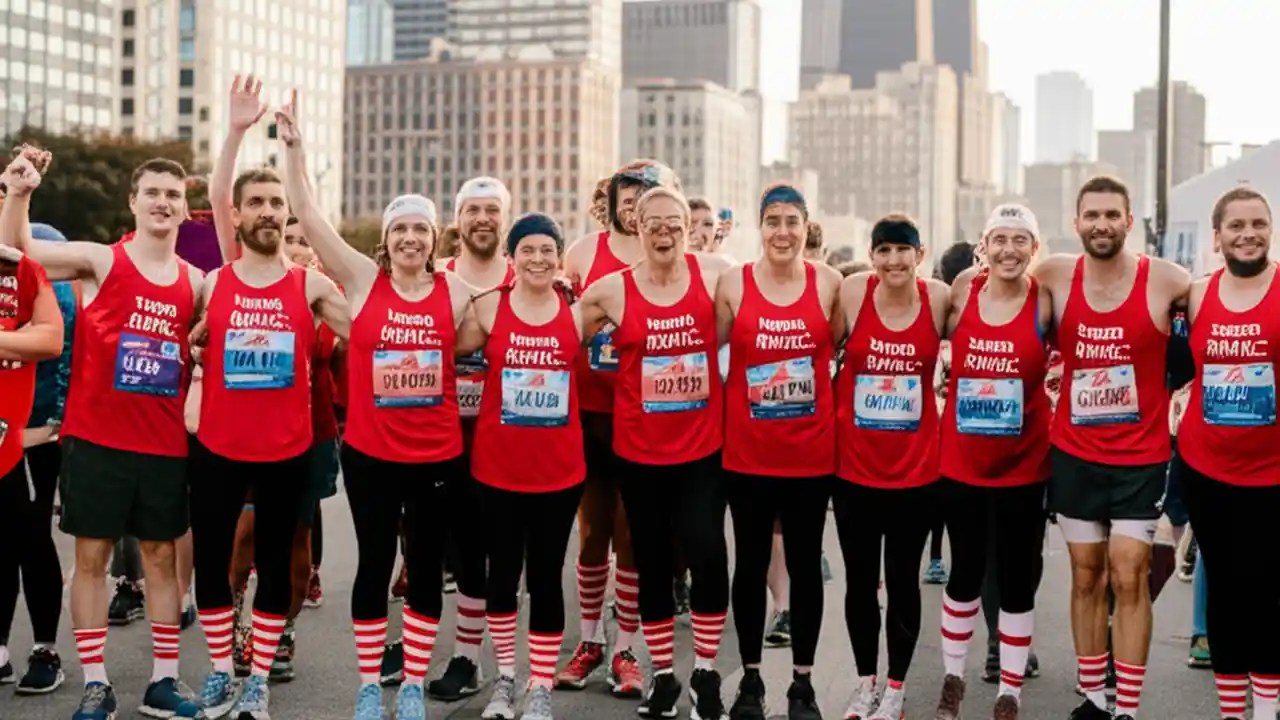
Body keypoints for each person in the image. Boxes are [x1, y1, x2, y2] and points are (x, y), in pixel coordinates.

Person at [276, 92, 480, 720]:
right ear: (386, 240)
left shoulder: (458, 294)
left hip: (439, 454)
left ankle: (413, 682)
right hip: (370, 454)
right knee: (373, 565)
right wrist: (294, 149)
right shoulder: (363, 281)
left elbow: (504, 325)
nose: (411, 238)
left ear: (435, 238)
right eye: (401, 229)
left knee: (422, 569)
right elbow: (308, 218)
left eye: (421, 228)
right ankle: (370, 683)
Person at [3, 147, 208, 720]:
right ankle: (96, 684)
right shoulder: (101, 261)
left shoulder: (196, 282)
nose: (164, 202)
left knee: (162, 561)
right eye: (154, 193)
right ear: (134, 202)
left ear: (184, 208)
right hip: (97, 442)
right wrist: (19, 193)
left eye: (174, 194)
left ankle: (164, 681)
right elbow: (23, 252)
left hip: (164, 445)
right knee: (90, 559)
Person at [1032, 175, 1190, 720]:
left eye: (1111, 215)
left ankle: (1128, 706)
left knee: (1130, 573)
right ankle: (1094, 697)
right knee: (1085, 575)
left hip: (1141, 458)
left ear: (1129, 220)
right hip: (1075, 454)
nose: (1101, 224)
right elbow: (995, 295)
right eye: (1091, 215)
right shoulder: (1054, 273)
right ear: (1076, 222)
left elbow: (1222, 310)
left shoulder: (1168, 279)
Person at [578, 185, 733, 720]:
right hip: (639, 453)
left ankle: (707, 672)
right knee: (650, 562)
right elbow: (557, 335)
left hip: (701, 450)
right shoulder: (609, 292)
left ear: (687, 229)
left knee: (708, 554)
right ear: (635, 229)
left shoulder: (715, 277)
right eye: (653, 224)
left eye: (674, 223)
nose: (664, 232)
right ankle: (665, 675)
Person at [555, 161, 682, 698]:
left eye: (647, 195)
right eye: (627, 193)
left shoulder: (667, 254)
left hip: (644, 414)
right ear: (612, 199)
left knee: (633, 536)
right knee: (593, 533)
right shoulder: (584, 252)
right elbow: (562, 324)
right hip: (589, 412)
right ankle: (589, 641)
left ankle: (627, 647)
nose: (635, 204)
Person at [716, 184, 840, 720]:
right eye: (772, 220)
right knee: (749, 565)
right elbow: (705, 349)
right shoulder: (734, 283)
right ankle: (749, 680)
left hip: (811, 455)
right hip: (747, 455)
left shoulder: (829, 283)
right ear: (759, 226)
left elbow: (839, 346)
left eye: (792, 220)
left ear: (806, 226)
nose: (782, 231)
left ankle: (803, 684)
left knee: (806, 568)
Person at [930, 205, 1052, 720]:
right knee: (965, 573)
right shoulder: (962, 292)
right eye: (999, 239)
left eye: (1020, 240)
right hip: (963, 461)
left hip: (1025, 461)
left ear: (1034, 248)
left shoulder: (1046, 301)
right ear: (984, 245)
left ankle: (1009, 692)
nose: (1009, 249)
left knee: (1019, 577)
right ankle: (953, 679)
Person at [464, 214, 586, 720]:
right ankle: (506, 679)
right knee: (502, 576)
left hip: (559, 471)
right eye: (528, 250)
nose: (538, 258)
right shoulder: (489, 308)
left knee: (545, 577)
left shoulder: (581, 312)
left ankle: (539, 685)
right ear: (511, 257)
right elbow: (438, 349)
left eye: (547, 250)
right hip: (497, 468)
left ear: (559, 257)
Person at [834, 214, 949, 720]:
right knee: (859, 582)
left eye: (904, 250)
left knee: (902, 583)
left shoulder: (939, 300)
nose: (894, 260)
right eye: (884, 250)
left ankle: (897, 690)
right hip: (854, 470)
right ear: (872, 255)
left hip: (916, 473)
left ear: (919, 255)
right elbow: (819, 347)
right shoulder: (853, 293)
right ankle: (866, 684)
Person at [1176, 187, 1279, 720]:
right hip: (1207, 468)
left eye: (1258, 223)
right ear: (1217, 238)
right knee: (1226, 593)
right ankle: (1232, 713)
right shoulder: (1193, 296)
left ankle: (1266, 709)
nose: (1248, 234)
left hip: (1273, 473)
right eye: (1236, 225)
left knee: (1267, 592)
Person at [429, 176, 516, 703]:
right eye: (472, 210)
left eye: (492, 210)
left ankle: (485, 660)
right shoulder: (434, 277)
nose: (482, 219)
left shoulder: (528, 275)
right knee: (447, 551)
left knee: (496, 555)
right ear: (456, 219)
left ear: (506, 218)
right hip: (441, 431)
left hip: (506, 434)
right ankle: (441, 652)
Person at [0, 222, 64, 693]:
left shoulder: (43, 280)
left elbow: (57, 346)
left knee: (33, 535)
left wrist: (51, 428)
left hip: (39, 428)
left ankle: (45, 648)